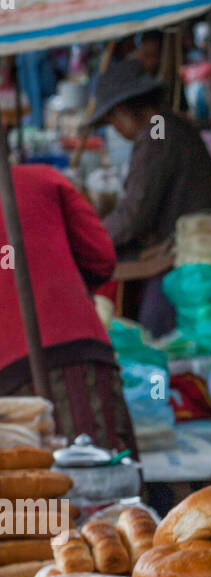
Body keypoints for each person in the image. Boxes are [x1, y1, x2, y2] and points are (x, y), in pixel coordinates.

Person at [0, 162, 136, 452]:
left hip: (24, 364)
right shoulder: (43, 179)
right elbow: (100, 259)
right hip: (67, 348)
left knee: (25, 488)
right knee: (95, 477)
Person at [89, 58, 211, 335]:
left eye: (112, 121)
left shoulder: (157, 132)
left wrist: (91, 238)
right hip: (189, 247)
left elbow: (134, 216)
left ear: (123, 111)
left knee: (157, 335)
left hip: (190, 258)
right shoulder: (169, 124)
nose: (115, 130)